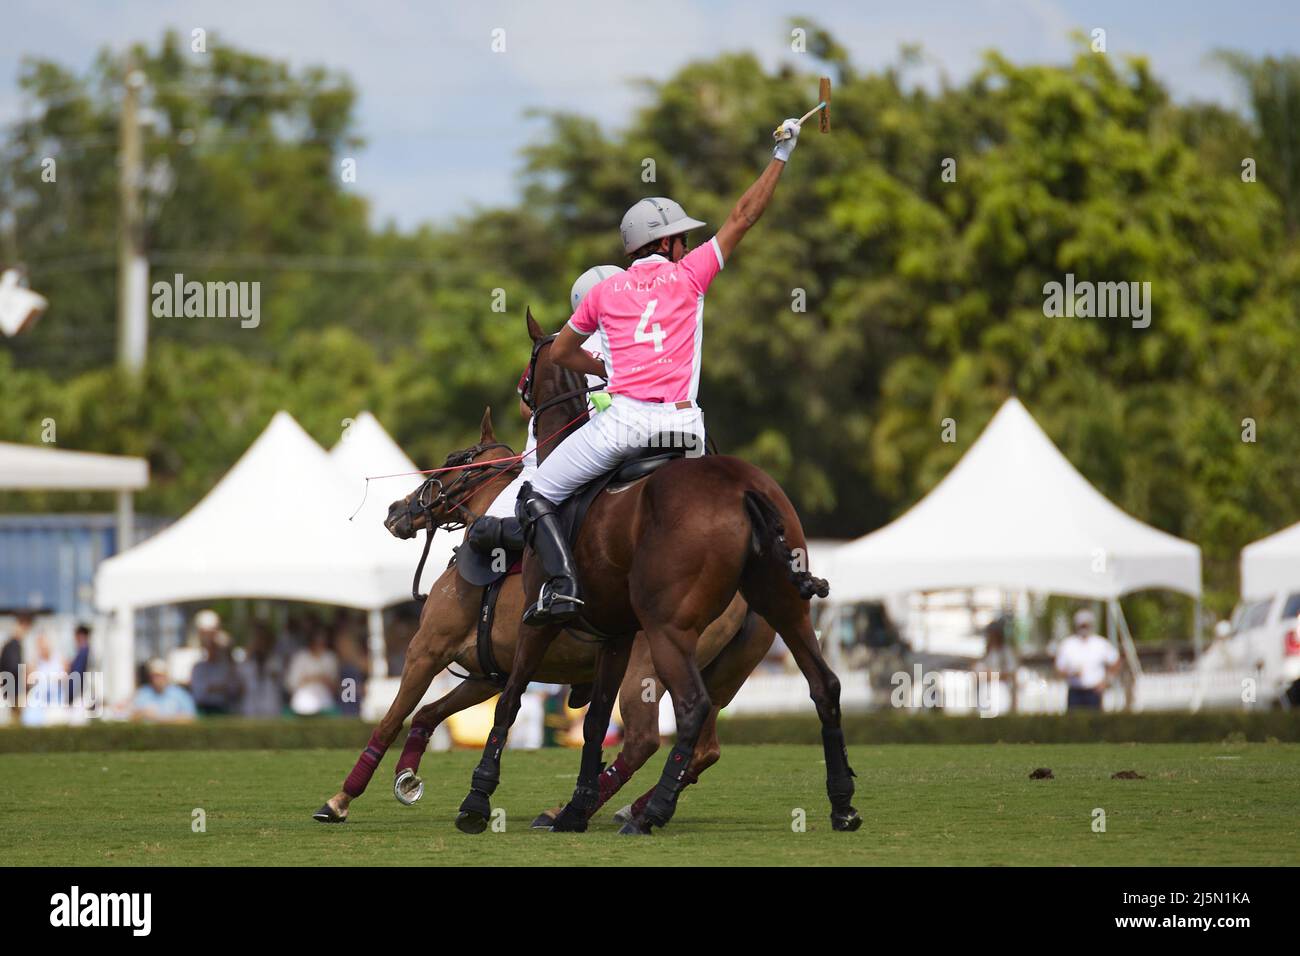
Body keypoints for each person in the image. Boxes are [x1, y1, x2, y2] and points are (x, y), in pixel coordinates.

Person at [515, 117, 805, 624]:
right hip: (687, 427)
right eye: (682, 239)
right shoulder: (691, 276)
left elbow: (559, 354)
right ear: (667, 244)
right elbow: (743, 217)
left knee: (533, 492)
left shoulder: (604, 292)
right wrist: (780, 155)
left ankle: (560, 589)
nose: (688, 247)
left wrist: (601, 367)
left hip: (625, 426)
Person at [466, 265, 622, 559]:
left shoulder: (559, 342)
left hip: (571, 456)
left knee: (484, 534)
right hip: (661, 435)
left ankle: (552, 590)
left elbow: (526, 407)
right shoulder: (649, 335)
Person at [1054, 609, 1121, 711]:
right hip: (1075, 692)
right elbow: (1059, 669)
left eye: (1086, 625)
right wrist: (1071, 673)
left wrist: (1106, 681)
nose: (1084, 628)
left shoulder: (1100, 643)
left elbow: (1115, 661)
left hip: (1094, 692)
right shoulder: (1068, 644)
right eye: (1082, 625)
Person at [286, 628, 340, 716]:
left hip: (325, 702)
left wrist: (322, 680)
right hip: (302, 702)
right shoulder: (300, 657)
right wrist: (312, 679)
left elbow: (335, 687)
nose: (319, 645)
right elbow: (291, 685)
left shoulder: (330, 658)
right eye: (316, 642)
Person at [238, 623, 286, 717]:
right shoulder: (245, 660)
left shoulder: (275, 660)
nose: (260, 643)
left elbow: (278, 679)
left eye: (262, 639)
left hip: (270, 707)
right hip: (250, 708)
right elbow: (240, 681)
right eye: (257, 639)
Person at [189, 634, 242, 715]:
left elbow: (232, 689)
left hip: (223, 709)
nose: (214, 650)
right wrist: (219, 688)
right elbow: (199, 692)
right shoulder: (198, 668)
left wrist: (213, 688)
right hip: (203, 710)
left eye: (217, 648)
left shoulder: (226, 667)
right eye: (211, 647)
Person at [132, 658, 197, 723]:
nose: (157, 679)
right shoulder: (143, 693)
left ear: (167, 676)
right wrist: (142, 713)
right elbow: (131, 715)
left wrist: (159, 718)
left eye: (160, 675)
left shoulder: (180, 694)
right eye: (154, 676)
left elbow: (190, 717)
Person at [0, 613, 28, 724]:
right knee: (15, 720)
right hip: (13, 690)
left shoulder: (10, 644)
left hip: (10, 689)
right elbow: (13, 668)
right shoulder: (14, 645)